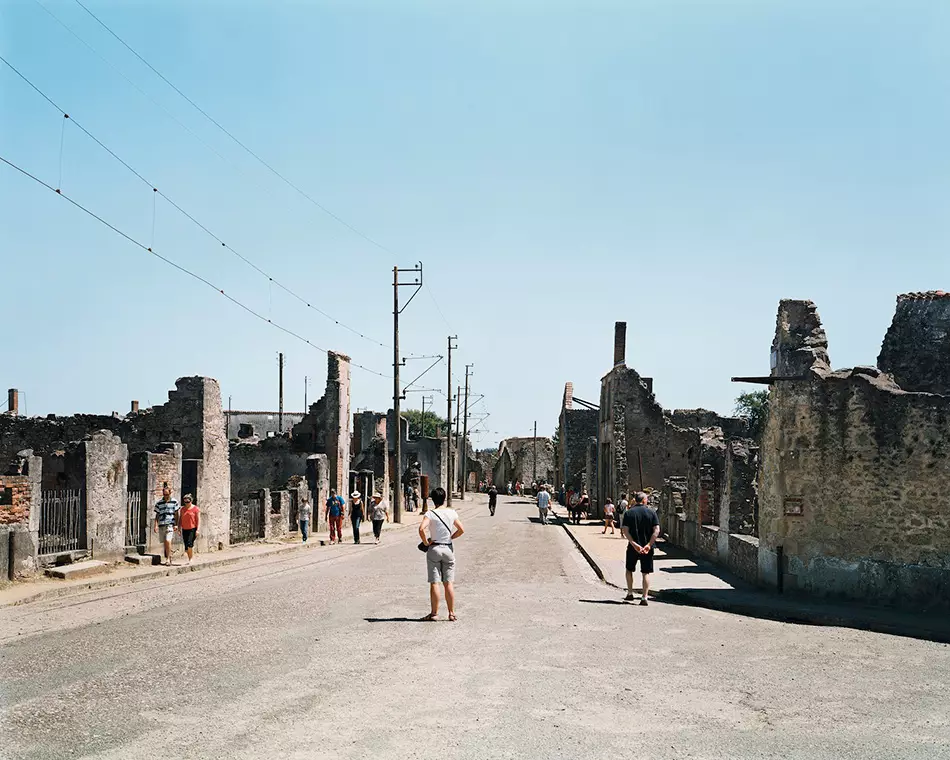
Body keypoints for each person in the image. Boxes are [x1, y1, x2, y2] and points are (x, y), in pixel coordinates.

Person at [418, 487, 465, 622]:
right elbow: (461, 529)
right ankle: (451, 613)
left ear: (433, 499)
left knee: (434, 583)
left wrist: (426, 542)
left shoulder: (430, 514)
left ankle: (434, 613)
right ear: (444, 498)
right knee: (448, 582)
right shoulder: (452, 513)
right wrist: (450, 537)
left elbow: (421, 529)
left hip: (435, 548)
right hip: (448, 549)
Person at [621, 492, 661, 605]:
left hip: (633, 547)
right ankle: (644, 597)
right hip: (647, 548)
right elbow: (656, 530)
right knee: (646, 572)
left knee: (629, 569)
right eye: (647, 499)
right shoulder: (651, 512)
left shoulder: (629, 513)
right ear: (644, 500)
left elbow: (625, 530)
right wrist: (649, 544)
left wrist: (634, 544)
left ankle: (630, 593)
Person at [152, 484, 179, 566]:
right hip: (162, 524)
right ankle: (169, 556)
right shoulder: (159, 503)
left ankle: (168, 558)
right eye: (164, 494)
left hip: (170, 524)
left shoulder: (174, 501)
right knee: (165, 542)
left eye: (167, 494)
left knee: (168, 540)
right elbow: (157, 515)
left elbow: (177, 514)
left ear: (170, 493)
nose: (166, 496)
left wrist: (176, 524)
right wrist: (155, 525)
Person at [177, 494, 200, 563]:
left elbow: (198, 520)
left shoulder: (195, 509)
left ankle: (190, 559)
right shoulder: (182, 509)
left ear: (191, 501)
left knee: (190, 544)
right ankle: (190, 556)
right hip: (184, 529)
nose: (186, 503)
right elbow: (180, 519)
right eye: (185, 502)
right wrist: (179, 528)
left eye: (188, 502)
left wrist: (197, 530)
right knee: (186, 547)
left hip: (192, 529)